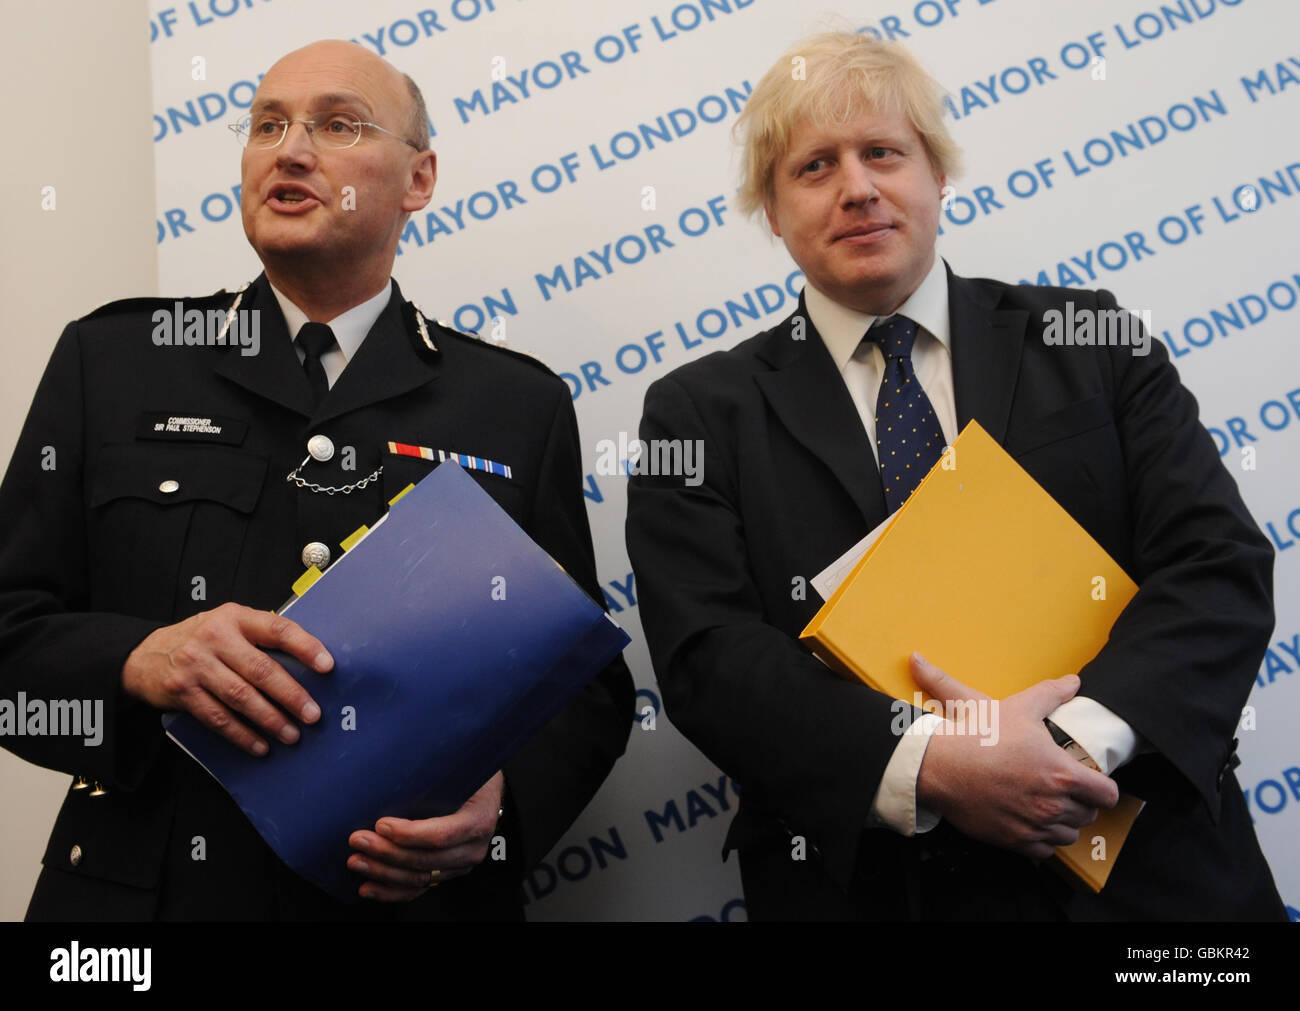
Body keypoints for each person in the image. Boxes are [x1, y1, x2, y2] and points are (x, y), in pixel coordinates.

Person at [625, 31, 1285, 920]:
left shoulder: (1093, 341)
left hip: (1154, 877)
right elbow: (710, 659)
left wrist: (1065, 750)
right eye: (814, 166)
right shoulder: (697, 412)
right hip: (874, 890)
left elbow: (1217, 566)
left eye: (884, 153)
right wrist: (935, 764)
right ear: (773, 213)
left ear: (938, 174)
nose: (857, 187)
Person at [0, 39, 632, 920]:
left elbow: (584, 684)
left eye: (338, 124)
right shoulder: (110, 365)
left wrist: (500, 808)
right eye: (267, 125)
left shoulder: (513, 404)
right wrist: (139, 660)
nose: (290, 150)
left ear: (420, 178)